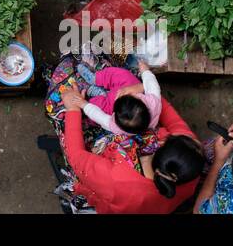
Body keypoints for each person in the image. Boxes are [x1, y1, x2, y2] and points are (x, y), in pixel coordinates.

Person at [60, 84, 204, 213]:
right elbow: (172, 118)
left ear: (160, 144)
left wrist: (73, 108)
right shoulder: (191, 164)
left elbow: (75, 155)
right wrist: (142, 88)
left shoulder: (116, 179)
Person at [83, 60, 162, 137]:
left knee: (97, 109)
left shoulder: (116, 127)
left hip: (109, 107)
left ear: (115, 119)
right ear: (140, 100)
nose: (120, 95)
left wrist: (83, 104)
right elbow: (152, 84)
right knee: (125, 76)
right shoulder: (154, 103)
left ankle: (99, 93)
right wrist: (145, 70)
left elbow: (98, 116)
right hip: (128, 90)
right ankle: (97, 78)